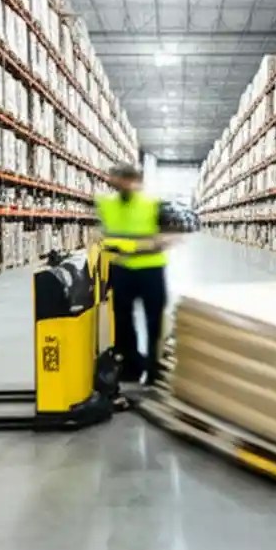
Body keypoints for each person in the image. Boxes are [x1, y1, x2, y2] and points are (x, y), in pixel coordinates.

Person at [96, 163, 170, 387]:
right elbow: (101, 234)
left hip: (151, 269)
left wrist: (134, 247)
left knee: (154, 321)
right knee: (123, 322)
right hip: (122, 270)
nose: (124, 185)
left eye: (128, 180)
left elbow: (166, 237)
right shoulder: (106, 204)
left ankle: (154, 371)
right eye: (118, 180)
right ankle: (132, 367)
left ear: (136, 182)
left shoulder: (153, 204)